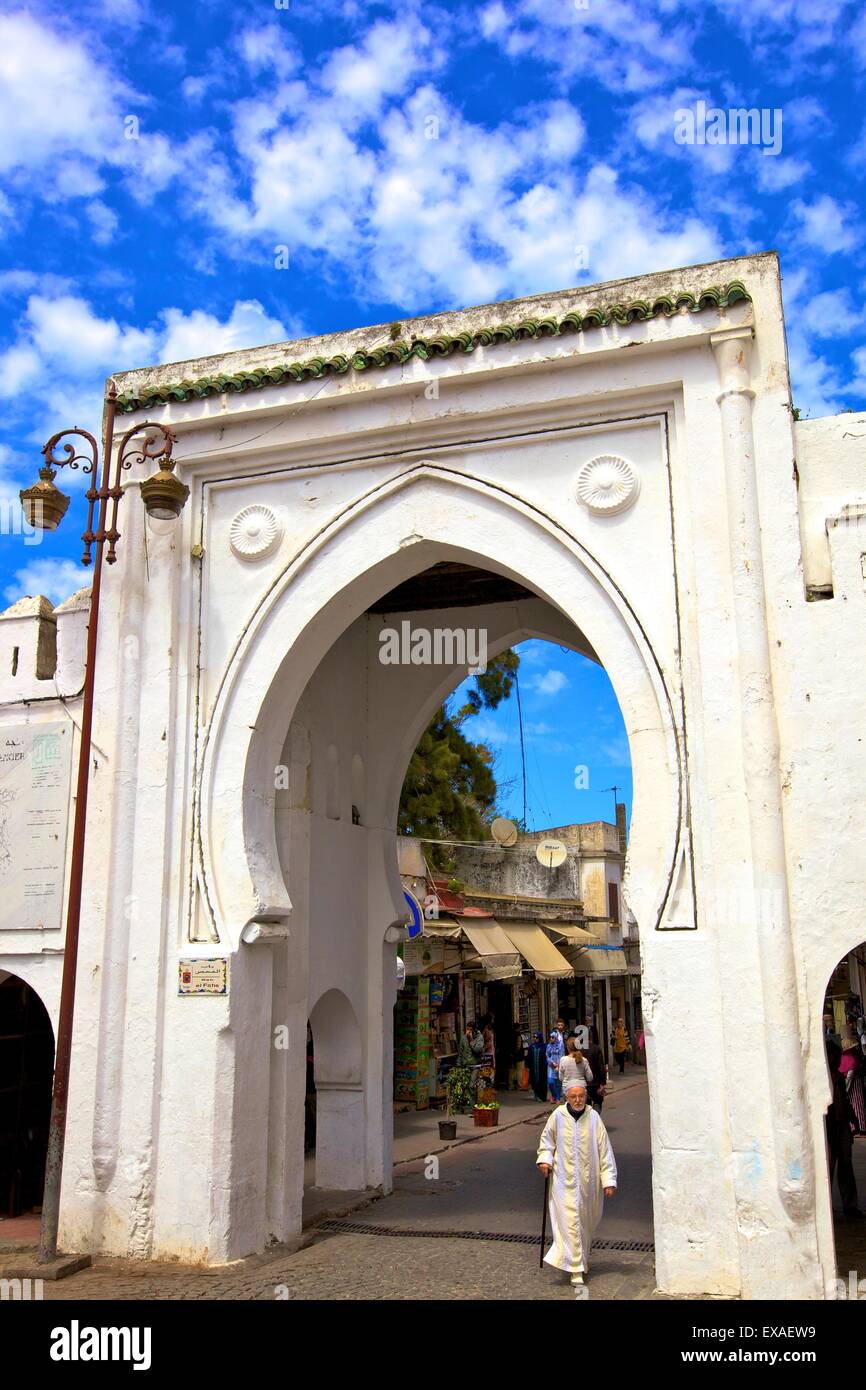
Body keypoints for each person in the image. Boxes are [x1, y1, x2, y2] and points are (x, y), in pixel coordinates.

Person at [536, 1081, 617, 1285]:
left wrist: (608, 1180)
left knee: (585, 1222)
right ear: (566, 1098)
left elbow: (604, 1150)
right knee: (568, 1220)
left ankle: (581, 1259)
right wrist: (545, 1160)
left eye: (581, 1096)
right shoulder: (557, 1117)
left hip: (589, 1184)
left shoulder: (594, 1118)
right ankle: (576, 1269)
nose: (578, 1100)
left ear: (586, 1096)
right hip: (563, 1181)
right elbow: (547, 1142)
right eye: (574, 1097)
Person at [826, 1038, 862, 1218]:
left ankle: (850, 1205)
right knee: (829, 1167)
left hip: (841, 1126)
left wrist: (852, 1119)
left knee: (845, 1166)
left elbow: (845, 1102)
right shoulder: (825, 1080)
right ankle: (827, 1206)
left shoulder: (838, 1078)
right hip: (829, 1127)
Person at [457, 1022, 484, 1108]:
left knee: (472, 1086)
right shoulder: (463, 1038)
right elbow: (460, 1052)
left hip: (475, 1065)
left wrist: (471, 1040)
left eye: (470, 1029)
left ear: (474, 1030)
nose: (468, 1031)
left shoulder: (479, 1038)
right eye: (467, 1029)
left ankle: (473, 1106)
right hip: (466, 1065)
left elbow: (477, 1050)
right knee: (465, 1086)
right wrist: (458, 1064)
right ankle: (466, 1105)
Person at [583, 1032, 608, 1112]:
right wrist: (602, 1083)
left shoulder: (578, 1050)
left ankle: (588, 1120)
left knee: (586, 1103)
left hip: (583, 1082)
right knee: (597, 1101)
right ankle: (595, 1119)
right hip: (595, 1082)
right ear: (591, 1037)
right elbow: (601, 1067)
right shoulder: (596, 1048)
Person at [527, 1031, 548, 1102]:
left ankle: (543, 1097)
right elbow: (529, 1057)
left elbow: (547, 1056)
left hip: (542, 1068)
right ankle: (536, 1095)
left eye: (536, 1037)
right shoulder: (531, 1047)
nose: (535, 1039)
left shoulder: (545, 1046)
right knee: (534, 1081)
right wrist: (527, 1065)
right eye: (534, 1037)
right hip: (534, 1068)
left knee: (542, 1082)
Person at [546, 1032, 563, 1103]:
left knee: (558, 1083)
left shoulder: (560, 1046)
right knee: (550, 1082)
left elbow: (561, 1055)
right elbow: (547, 1056)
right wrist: (551, 1062)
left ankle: (558, 1098)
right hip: (551, 1067)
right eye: (550, 1037)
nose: (551, 1038)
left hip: (558, 1066)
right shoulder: (548, 1046)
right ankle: (554, 1095)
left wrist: (558, 1065)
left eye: (553, 1037)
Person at [509, 1023, 526, 1091]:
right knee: (519, 1071)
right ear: (518, 1028)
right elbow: (518, 1046)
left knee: (511, 1071)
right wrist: (515, 1052)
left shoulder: (510, 1034)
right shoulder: (518, 1035)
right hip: (518, 1055)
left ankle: (511, 1085)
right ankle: (519, 1085)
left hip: (511, 1055)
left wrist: (511, 1053)